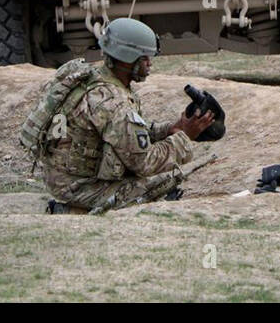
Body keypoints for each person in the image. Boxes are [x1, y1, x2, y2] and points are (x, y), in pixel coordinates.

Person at [37, 18, 215, 213]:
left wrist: (169, 129)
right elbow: (145, 163)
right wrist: (184, 137)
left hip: (61, 177)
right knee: (161, 180)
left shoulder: (96, 79)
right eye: (145, 58)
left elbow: (127, 134)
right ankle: (71, 211)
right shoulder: (112, 102)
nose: (150, 64)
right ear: (127, 59)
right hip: (77, 186)